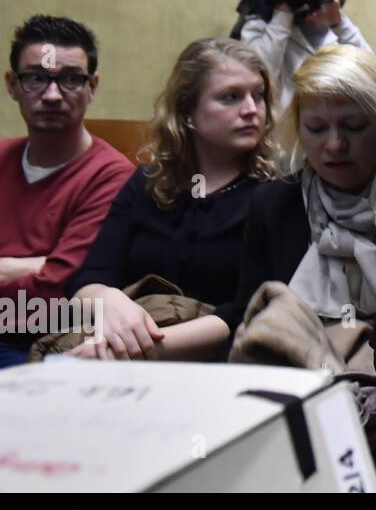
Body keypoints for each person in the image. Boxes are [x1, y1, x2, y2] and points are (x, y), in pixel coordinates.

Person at [63, 39, 278, 361]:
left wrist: (136, 348)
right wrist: (107, 299)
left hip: (221, 365)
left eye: (258, 95)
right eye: (230, 97)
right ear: (187, 111)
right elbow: (88, 277)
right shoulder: (148, 183)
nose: (251, 109)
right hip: (126, 352)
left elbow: (248, 311)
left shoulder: (276, 193)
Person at [230, 44, 376, 334]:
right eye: (315, 128)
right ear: (299, 130)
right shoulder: (273, 204)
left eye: (354, 126)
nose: (335, 144)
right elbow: (246, 313)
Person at [0, 16, 135, 367]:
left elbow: (61, 284)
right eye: (36, 78)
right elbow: (55, 272)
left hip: (43, 341)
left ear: (92, 86)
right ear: (12, 85)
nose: (52, 95)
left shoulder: (113, 176)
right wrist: (38, 263)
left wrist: (49, 269)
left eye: (71, 80)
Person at [240, 0, 370, 113]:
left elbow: (372, 80)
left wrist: (339, 23)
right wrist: (284, 10)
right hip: (278, 135)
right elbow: (255, 78)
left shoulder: (343, 36)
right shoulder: (269, 27)